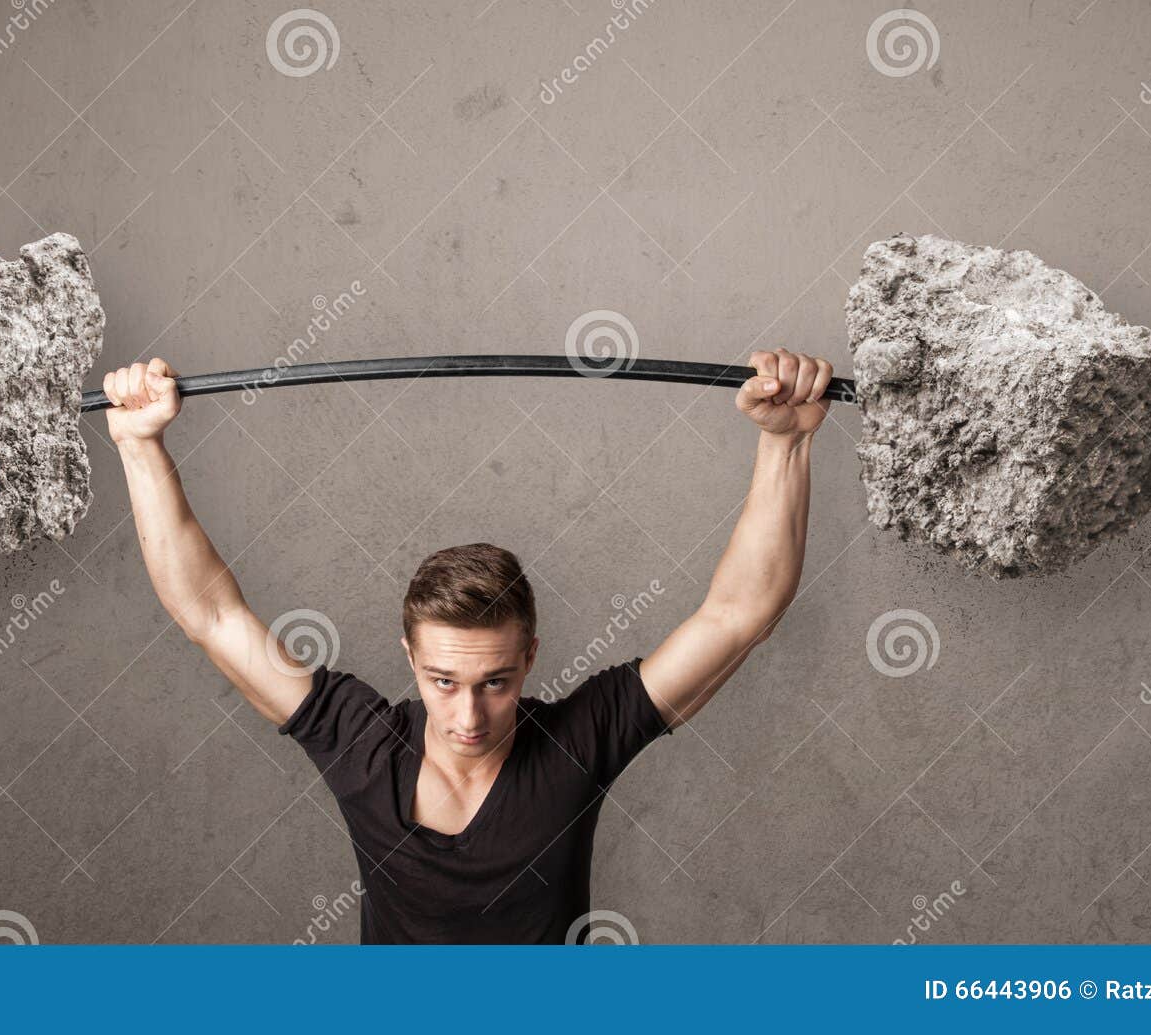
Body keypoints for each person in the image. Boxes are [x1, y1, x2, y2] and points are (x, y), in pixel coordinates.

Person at [102, 348, 833, 943]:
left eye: (496, 682)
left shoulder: (577, 741)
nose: (470, 716)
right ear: (410, 658)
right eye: (444, 681)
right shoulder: (361, 743)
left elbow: (742, 611)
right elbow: (211, 615)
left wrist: (786, 441)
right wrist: (139, 446)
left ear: (531, 658)